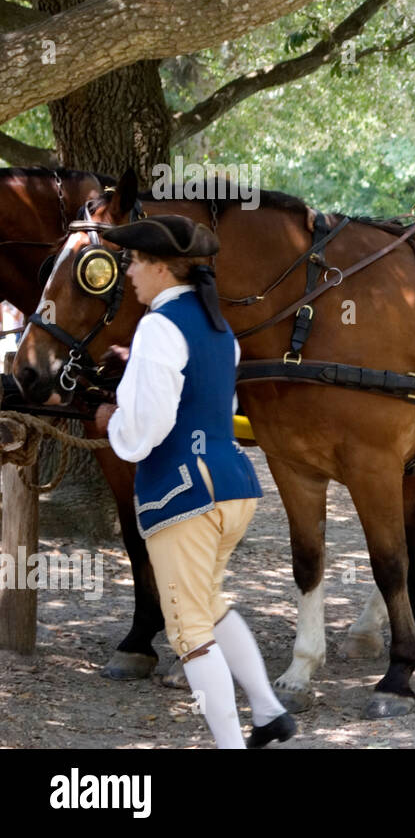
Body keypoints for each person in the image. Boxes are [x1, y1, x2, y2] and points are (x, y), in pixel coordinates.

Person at [92, 214, 294, 749]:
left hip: (183, 497)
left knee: (188, 633)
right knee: (208, 606)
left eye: (135, 262)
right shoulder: (217, 326)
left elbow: (147, 430)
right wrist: (137, 368)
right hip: (232, 487)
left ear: (161, 267)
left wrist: (111, 419)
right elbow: (203, 397)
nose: (130, 272)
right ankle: (270, 712)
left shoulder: (158, 326)